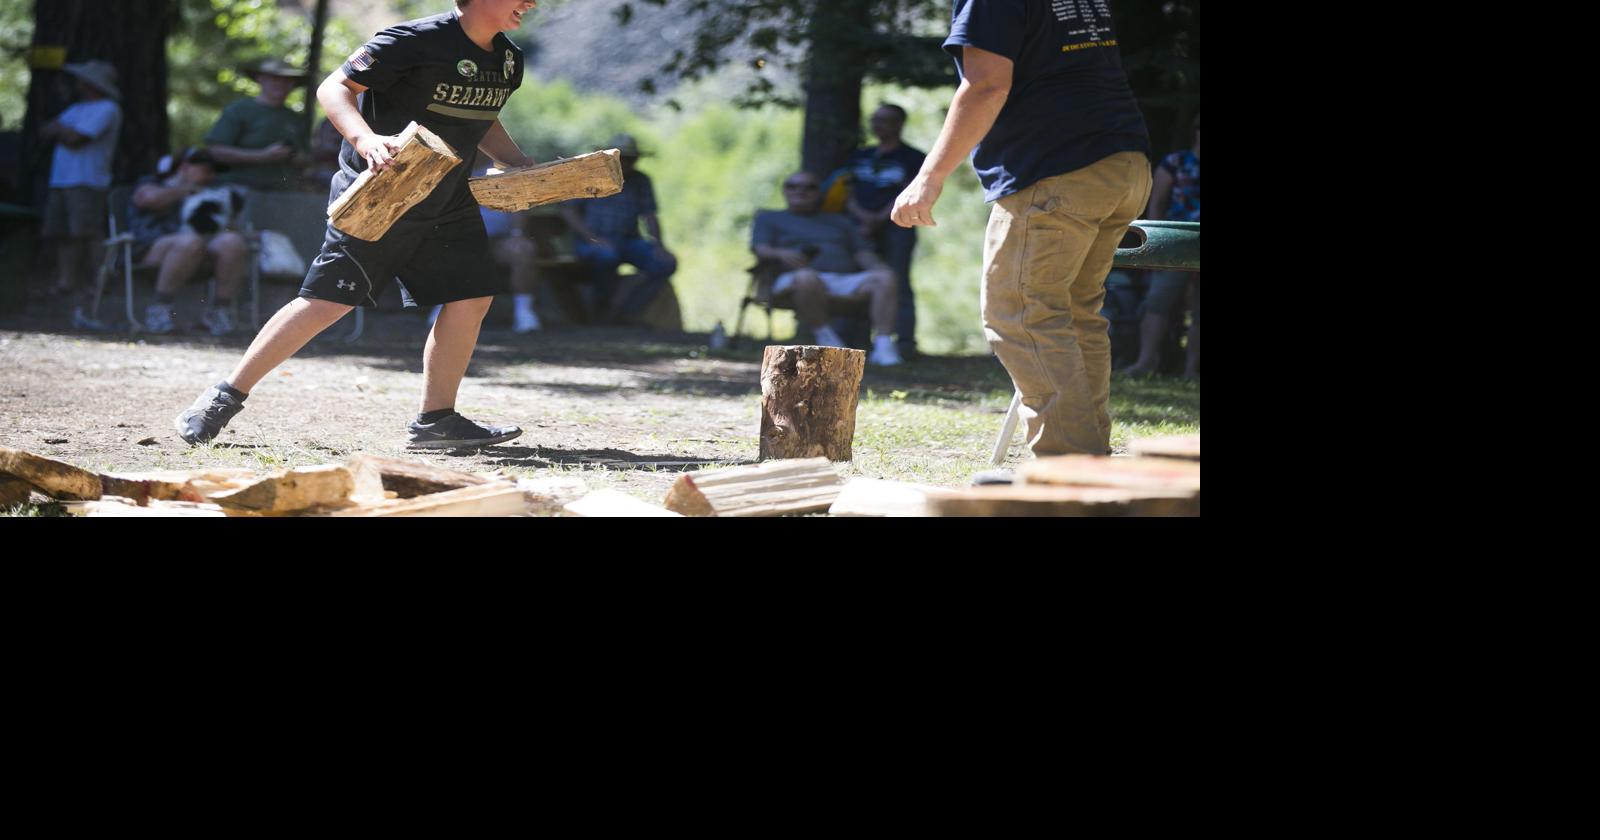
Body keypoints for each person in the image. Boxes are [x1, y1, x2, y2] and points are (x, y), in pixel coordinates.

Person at [173, 0, 541, 448]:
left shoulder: (507, 60)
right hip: (380, 192)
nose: (531, 2)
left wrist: (522, 165)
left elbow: (482, 121)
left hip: (449, 198)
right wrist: (365, 139)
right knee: (327, 301)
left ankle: (435, 422)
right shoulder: (412, 39)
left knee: (470, 296)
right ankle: (220, 399)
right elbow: (333, 88)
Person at [892, 0, 1152, 457]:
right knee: (1072, 314)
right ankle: (1091, 464)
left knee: (1022, 314)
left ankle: (1068, 472)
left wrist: (928, 177)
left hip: (1056, 170)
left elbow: (987, 86)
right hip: (1122, 162)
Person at [752, 171, 902, 366]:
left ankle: (884, 346)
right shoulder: (769, 218)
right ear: (785, 191)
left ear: (819, 192)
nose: (800, 191)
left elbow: (862, 253)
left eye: (809, 187)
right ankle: (828, 340)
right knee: (806, 277)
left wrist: (879, 268)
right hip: (793, 280)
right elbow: (760, 249)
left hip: (842, 279)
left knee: (886, 277)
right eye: (793, 186)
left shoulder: (840, 221)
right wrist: (780, 253)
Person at [128, 146, 250, 335]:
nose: (212, 176)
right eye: (207, 170)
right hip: (149, 250)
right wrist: (186, 189)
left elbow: (229, 228)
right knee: (190, 242)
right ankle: (159, 311)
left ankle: (219, 312)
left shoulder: (214, 192)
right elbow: (147, 199)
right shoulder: (154, 182)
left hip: (200, 252)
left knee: (232, 242)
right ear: (185, 167)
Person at [558, 133, 676, 324]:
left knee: (666, 263)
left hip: (629, 241)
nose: (629, 163)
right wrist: (592, 238)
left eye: (632, 158)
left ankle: (628, 309)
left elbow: (650, 215)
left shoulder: (641, 181)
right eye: (624, 158)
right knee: (606, 256)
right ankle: (603, 308)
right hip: (591, 241)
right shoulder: (588, 176)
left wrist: (659, 245)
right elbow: (568, 210)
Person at [1119, 112, 1199, 379]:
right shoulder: (1176, 163)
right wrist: (1155, 241)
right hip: (1174, 245)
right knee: (1158, 303)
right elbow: (1157, 202)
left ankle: (1192, 371)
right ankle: (1145, 362)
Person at [39, 60, 122, 308]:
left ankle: (99, 281)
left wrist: (61, 130)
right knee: (64, 233)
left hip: (88, 180)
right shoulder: (76, 109)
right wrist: (62, 131)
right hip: (62, 179)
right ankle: (66, 282)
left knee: (87, 233)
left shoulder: (108, 108)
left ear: (90, 83)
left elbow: (76, 138)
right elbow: (45, 131)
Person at [846, 103, 926, 358]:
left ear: (900, 124)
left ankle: (903, 344)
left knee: (897, 280)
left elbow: (911, 191)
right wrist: (863, 218)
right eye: (876, 120)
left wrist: (879, 218)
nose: (880, 126)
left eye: (887, 120)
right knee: (862, 279)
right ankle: (858, 341)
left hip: (898, 227)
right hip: (858, 226)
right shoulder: (859, 156)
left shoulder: (913, 158)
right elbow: (845, 191)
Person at [205, 59, 309, 192]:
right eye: (275, 79)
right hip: (237, 189)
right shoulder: (239, 110)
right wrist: (262, 155)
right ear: (261, 79)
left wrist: (295, 157)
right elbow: (216, 151)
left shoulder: (295, 118)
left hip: (281, 193)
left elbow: (306, 157)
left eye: (287, 80)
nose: (281, 84)